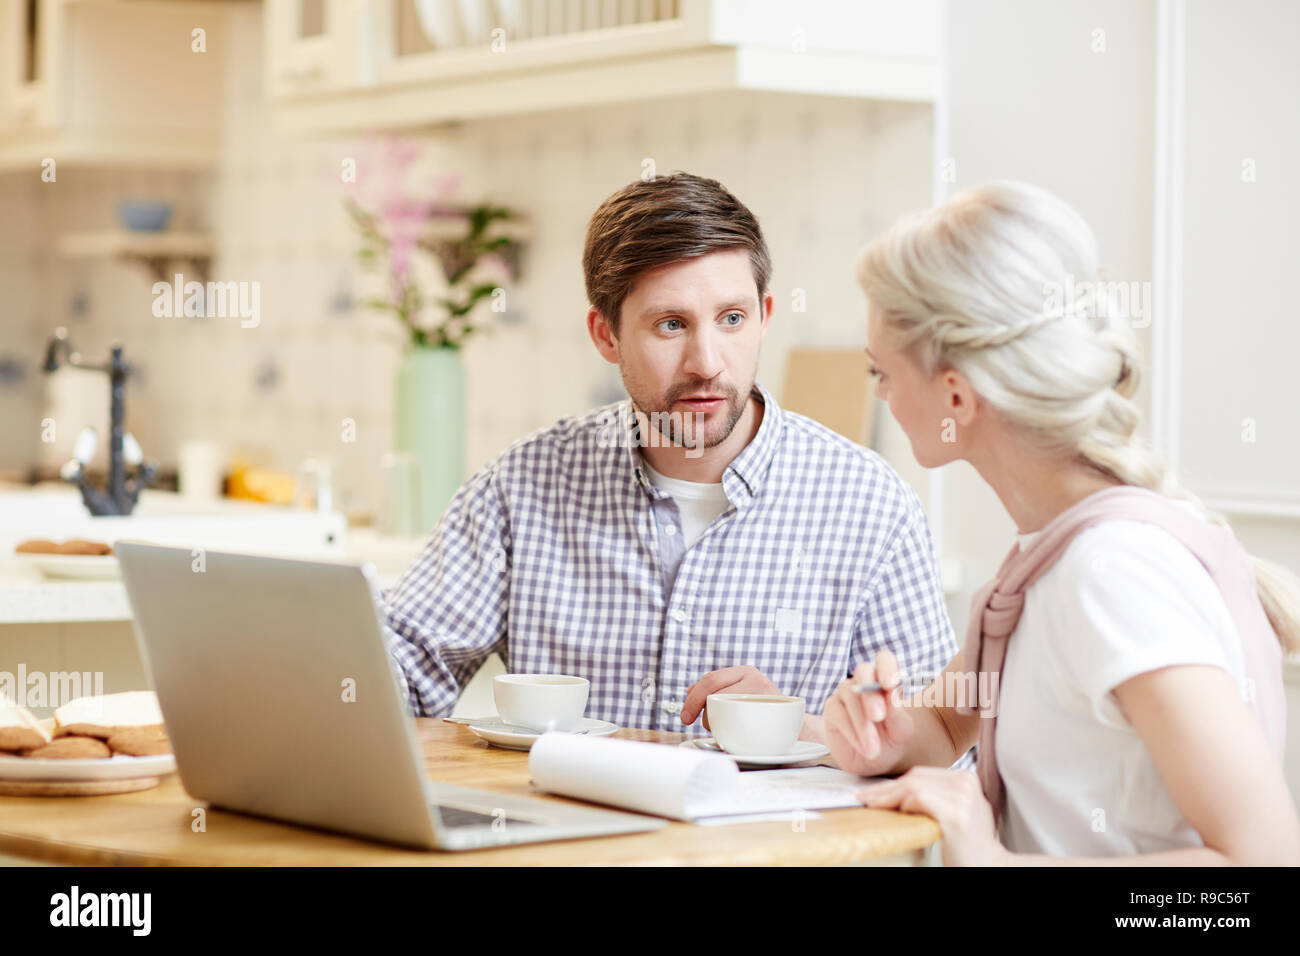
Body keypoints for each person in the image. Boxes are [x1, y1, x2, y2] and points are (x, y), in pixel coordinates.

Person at [383, 172, 966, 755]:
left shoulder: (869, 506)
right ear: (605, 335)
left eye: (732, 319)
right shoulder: (524, 486)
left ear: (765, 316)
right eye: (671, 324)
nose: (707, 362)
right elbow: (395, 673)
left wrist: (800, 731)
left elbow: (938, 759)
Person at [824, 180, 1300, 864]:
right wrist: (888, 735)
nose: (880, 396)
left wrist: (995, 863)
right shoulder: (1051, 556)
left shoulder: (1110, 575)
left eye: (882, 372)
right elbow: (942, 723)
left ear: (956, 392)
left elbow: (1257, 868)